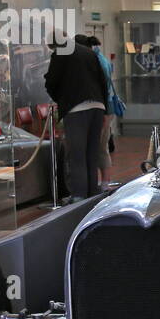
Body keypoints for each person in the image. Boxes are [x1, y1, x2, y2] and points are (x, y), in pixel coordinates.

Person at [44, 29, 109, 201]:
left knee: (77, 155)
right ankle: (92, 194)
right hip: (97, 106)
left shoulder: (60, 53)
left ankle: (79, 196)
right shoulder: (88, 52)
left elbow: (51, 82)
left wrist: (61, 100)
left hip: (76, 109)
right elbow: (103, 82)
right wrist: (105, 109)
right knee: (91, 153)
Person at [85, 35, 121, 187]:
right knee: (102, 144)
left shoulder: (97, 61)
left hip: (104, 108)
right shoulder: (102, 59)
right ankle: (104, 180)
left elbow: (103, 88)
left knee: (100, 146)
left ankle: (104, 181)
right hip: (106, 108)